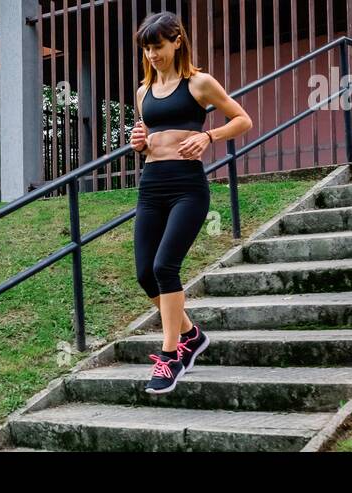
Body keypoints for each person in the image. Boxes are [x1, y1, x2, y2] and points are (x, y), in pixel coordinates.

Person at [130, 12, 252, 394]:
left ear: (177, 41)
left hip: (187, 187)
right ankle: (192, 335)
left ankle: (171, 358)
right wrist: (139, 143)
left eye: (159, 47)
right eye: (147, 49)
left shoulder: (199, 83)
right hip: (151, 184)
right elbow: (149, 136)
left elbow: (243, 119)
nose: (153, 55)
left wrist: (209, 137)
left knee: (166, 266)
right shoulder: (142, 92)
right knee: (145, 274)